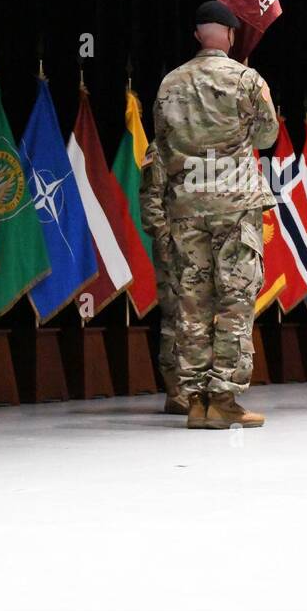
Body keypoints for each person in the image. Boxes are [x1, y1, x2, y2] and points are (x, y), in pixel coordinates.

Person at [152, 0, 278, 429]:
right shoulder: (247, 79)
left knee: (192, 302)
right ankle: (223, 399)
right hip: (234, 206)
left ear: (196, 35)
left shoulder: (170, 83)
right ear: (228, 35)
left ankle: (195, 401)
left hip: (186, 207)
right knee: (234, 301)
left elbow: (161, 143)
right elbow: (267, 134)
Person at [139, 140, 188, 415]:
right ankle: (176, 389)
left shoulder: (201, 142)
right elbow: (150, 199)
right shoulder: (161, 147)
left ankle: (198, 385)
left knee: (199, 317)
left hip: (200, 244)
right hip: (174, 246)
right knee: (175, 315)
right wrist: (164, 240)